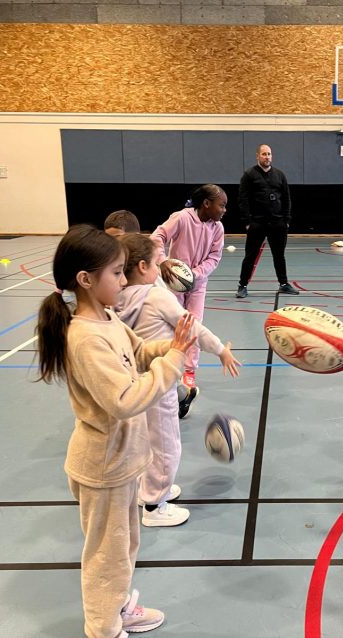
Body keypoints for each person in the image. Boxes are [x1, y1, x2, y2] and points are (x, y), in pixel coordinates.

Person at [35, 225, 197, 638]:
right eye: (117, 273)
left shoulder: (107, 318)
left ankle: (118, 607)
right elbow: (123, 400)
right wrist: (174, 361)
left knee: (123, 549)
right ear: (86, 280)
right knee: (106, 557)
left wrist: (169, 346)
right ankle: (103, 629)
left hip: (123, 463)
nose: (125, 282)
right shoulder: (85, 338)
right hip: (103, 467)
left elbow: (140, 352)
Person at [116, 233, 241, 527]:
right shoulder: (157, 296)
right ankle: (155, 507)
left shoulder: (117, 297)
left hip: (132, 384)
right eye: (157, 263)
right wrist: (221, 350)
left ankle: (147, 490)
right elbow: (192, 328)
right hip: (159, 384)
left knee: (145, 442)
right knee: (166, 446)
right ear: (144, 266)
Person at [102, 209, 199, 418]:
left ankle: (179, 398)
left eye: (117, 238)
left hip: (152, 338)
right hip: (127, 336)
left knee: (155, 376)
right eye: (108, 239)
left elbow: (170, 309)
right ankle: (184, 395)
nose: (113, 245)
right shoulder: (110, 267)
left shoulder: (148, 277)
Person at [152, 184, 227, 390]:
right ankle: (167, 364)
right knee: (172, 325)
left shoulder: (218, 229)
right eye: (221, 205)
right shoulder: (182, 217)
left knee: (194, 326)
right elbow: (157, 237)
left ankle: (189, 372)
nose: (224, 210)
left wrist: (195, 274)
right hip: (173, 284)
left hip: (198, 285)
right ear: (206, 204)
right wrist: (162, 260)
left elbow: (214, 258)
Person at [235, 144, 298, 298]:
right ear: (257, 156)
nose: (267, 157)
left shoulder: (279, 175)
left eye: (269, 154)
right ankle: (242, 286)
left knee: (279, 255)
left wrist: (286, 220)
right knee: (250, 255)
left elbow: (287, 198)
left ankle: (284, 284)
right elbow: (243, 199)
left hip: (278, 224)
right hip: (257, 223)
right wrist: (248, 221)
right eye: (264, 154)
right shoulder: (249, 175)